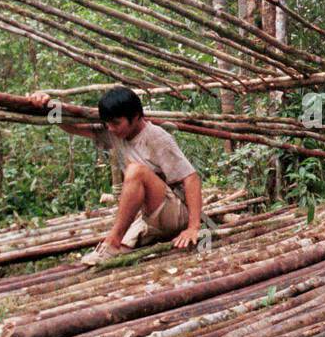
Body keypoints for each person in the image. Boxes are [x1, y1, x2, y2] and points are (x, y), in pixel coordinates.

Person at [28, 87, 203, 264]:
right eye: (107, 124)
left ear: (135, 117)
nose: (110, 128)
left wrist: (193, 227)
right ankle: (118, 244)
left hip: (175, 213)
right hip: (149, 216)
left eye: (116, 123)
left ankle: (113, 241)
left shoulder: (157, 137)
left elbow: (191, 178)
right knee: (121, 250)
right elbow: (72, 127)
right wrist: (50, 107)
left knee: (135, 171)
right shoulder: (115, 133)